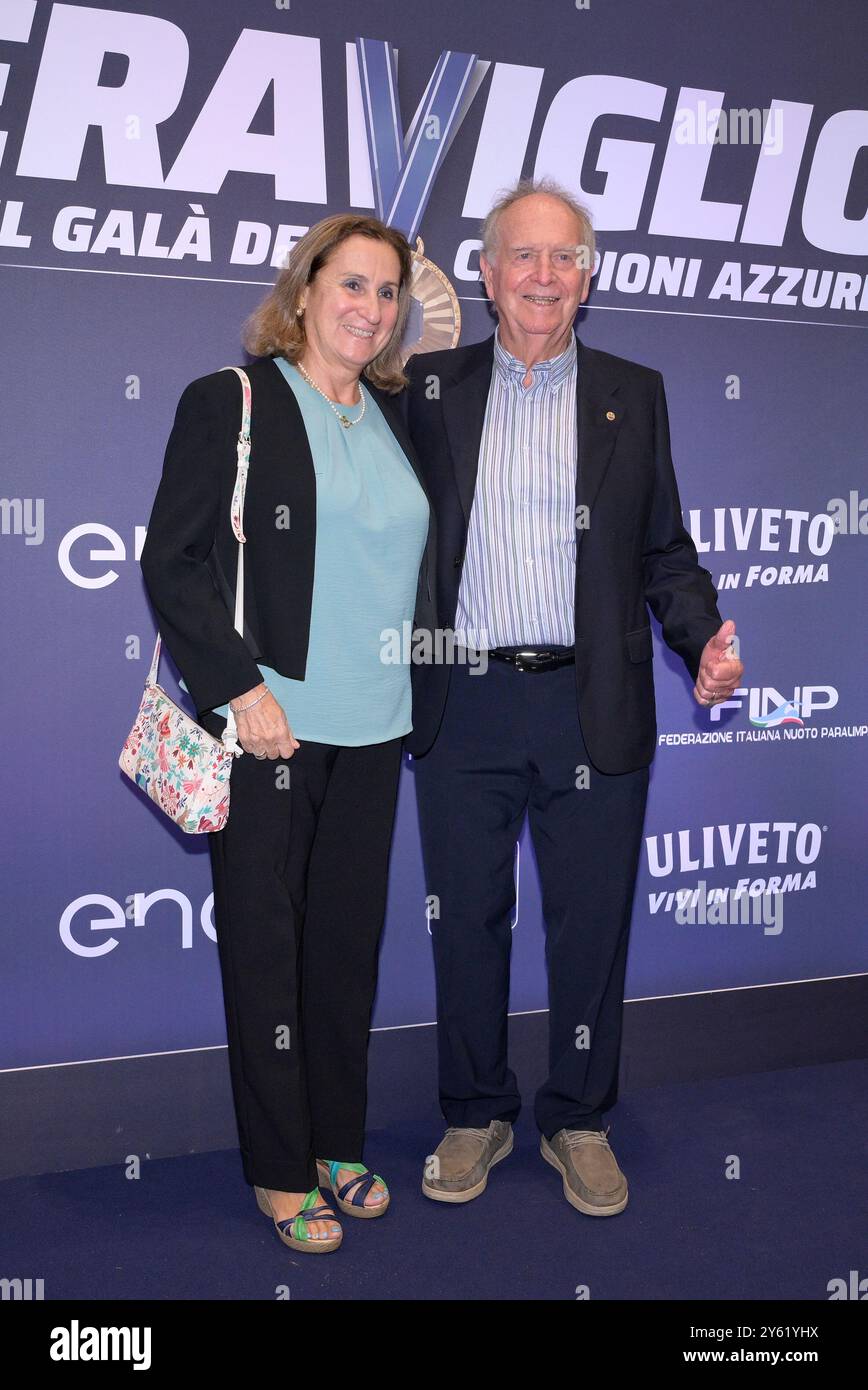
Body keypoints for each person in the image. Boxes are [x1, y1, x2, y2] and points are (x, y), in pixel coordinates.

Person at [402, 177, 744, 1215]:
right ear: (487, 272)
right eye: (525, 255)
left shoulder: (633, 392)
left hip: (592, 701)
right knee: (466, 919)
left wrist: (701, 638)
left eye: (565, 257)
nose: (544, 276)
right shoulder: (425, 387)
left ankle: (578, 1118)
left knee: (591, 924)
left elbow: (662, 548)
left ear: (587, 279)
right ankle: (475, 1111)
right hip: (463, 699)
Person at [140, 214, 435, 1252]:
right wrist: (239, 690)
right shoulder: (234, 400)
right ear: (303, 290)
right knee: (268, 957)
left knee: (343, 953)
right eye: (350, 284)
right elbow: (172, 561)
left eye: (387, 292)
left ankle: (337, 1142)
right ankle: (278, 1168)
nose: (370, 308)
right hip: (272, 733)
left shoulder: (398, 414)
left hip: (379, 729)